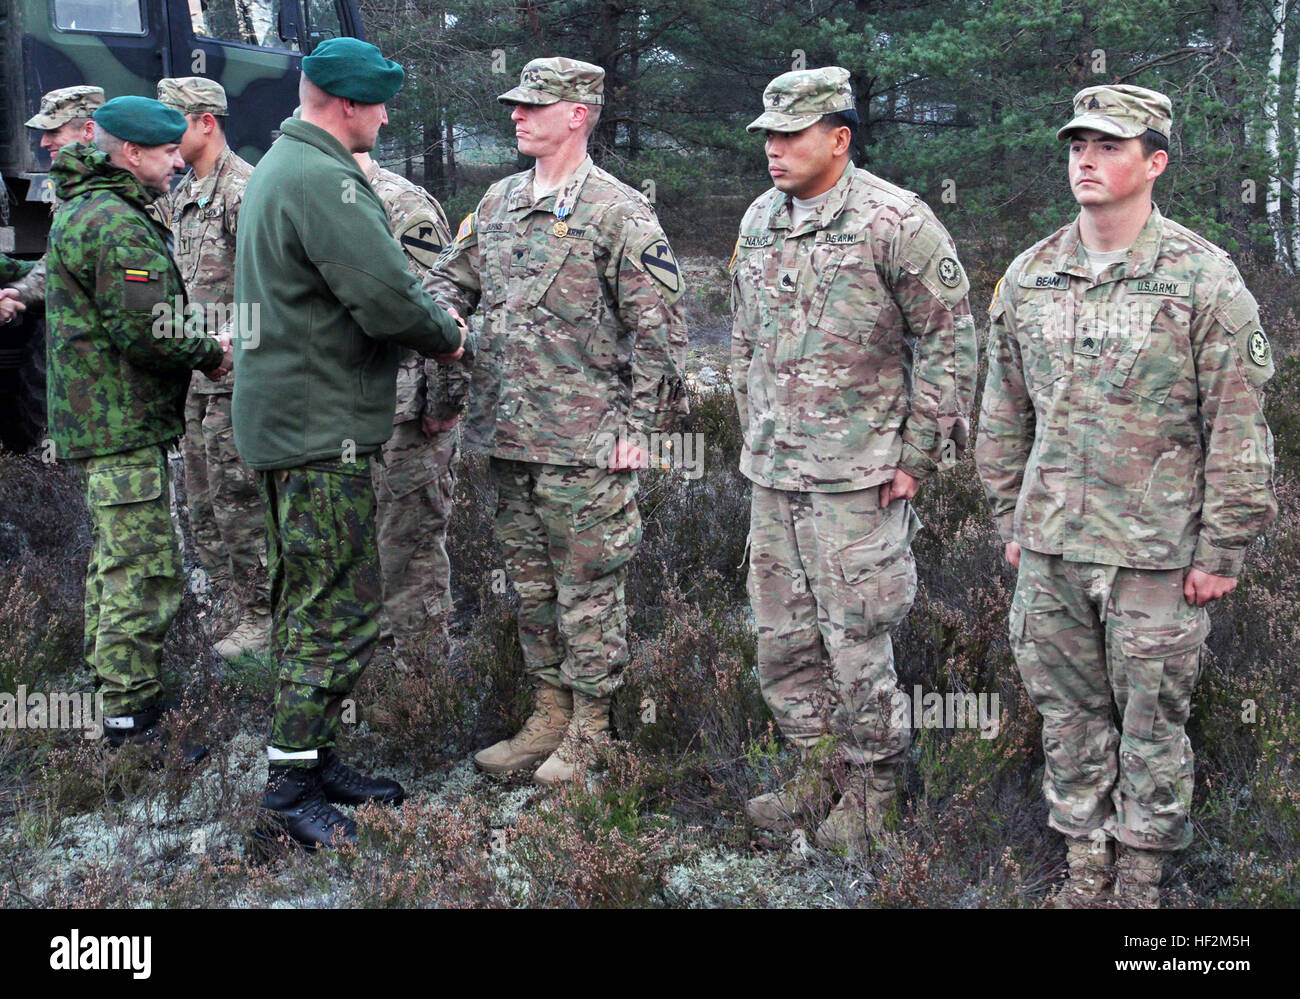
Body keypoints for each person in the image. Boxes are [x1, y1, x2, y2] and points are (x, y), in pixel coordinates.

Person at [975, 85, 1278, 907]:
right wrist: (1011, 518)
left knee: (1152, 725)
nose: (1087, 160)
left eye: (1110, 146)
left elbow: (1240, 424)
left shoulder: (1201, 278)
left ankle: (1139, 880)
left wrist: (1223, 549)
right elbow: (1001, 407)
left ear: (1155, 162)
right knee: (1068, 720)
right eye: (1078, 145)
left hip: (1157, 553)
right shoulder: (1032, 275)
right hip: (1052, 550)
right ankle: (1083, 870)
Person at [731, 67, 978, 856]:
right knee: (782, 637)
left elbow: (949, 338)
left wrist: (918, 455)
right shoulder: (760, 220)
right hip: (774, 473)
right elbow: (743, 334)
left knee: (856, 637)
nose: (773, 149)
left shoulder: (894, 219)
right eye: (767, 135)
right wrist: (750, 426)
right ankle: (816, 768)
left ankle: (875, 788)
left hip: (858, 476)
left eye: (790, 134)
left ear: (838, 138)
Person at [426, 56, 688, 785]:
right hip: (508, 435)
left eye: (535, 106)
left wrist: (642, 430)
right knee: (531, 586)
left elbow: (661, 328)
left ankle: (594, 727)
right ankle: (549, 709)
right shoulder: (501, 199)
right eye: (515, 105)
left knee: (589, 589)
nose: (517, 115)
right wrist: (442, 315)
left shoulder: (619, 211)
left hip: (588, 446)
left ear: (579, 114)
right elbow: (452, 278)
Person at [232, 38, 465, 849]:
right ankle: (290, 786)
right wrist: (450, 337)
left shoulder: (279, 166)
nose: (387, 117)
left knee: (309, 597)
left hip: (293, 422)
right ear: (344, 105)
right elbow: (386, 294)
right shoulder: (324, 178)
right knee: (336, 608)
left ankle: (316, 754)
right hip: (316, 429)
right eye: (379, 104)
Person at [45, 96, 231, 747]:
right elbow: (150, 331)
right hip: (121, 423)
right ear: (131, 153)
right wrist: (212, 351)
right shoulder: (116, 224)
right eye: (165, 153)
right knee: (142, 570)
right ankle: (133, 722)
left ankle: (114, 691)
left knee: (112, 563)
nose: (177, 163)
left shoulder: (85, 206)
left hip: (102, 424)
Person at [155, 76, 270, 659]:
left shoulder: (244, 192)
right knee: (200, 503)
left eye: (172, 118)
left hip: (235, 380)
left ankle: (260, 615)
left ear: (206, 121)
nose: (161, 131)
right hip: (194, 382)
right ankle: (230, 603)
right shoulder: (177, 197)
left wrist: (231, 350)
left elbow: (267, 290)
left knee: (239, 499)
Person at [354, 150, 466, 675]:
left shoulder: (402, 205)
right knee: (360, 540)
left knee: (410, 544)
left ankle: (424, 675)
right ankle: (376, 662)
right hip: (346, 405)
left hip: (407, 407)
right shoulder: (316, 198)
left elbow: (442, 311)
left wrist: (443, 403)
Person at [3, 86, 105, 314]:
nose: (44, 142)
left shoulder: (122, 191)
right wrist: (19, 292)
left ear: (89, 130)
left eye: (54, 132)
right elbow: (62, 261)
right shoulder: (71, 188)